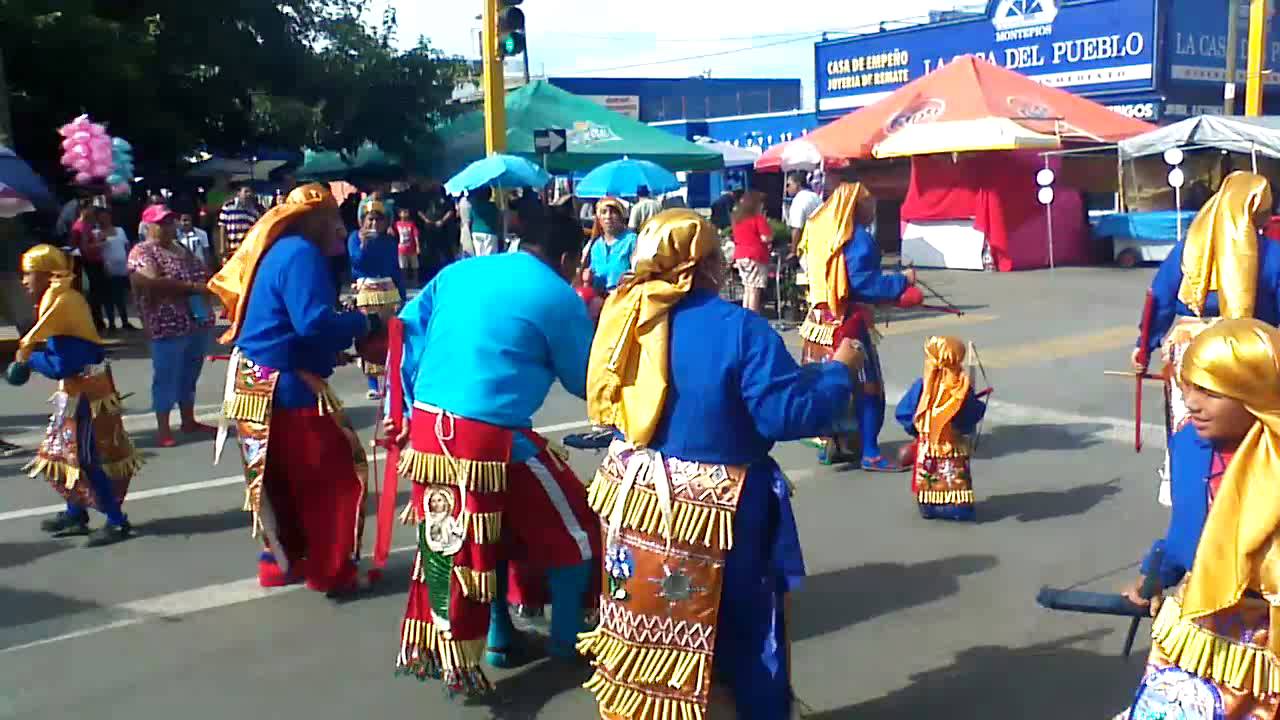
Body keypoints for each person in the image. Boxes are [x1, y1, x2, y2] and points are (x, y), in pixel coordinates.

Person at [578, 209, 862, 720]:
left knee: (653, 633)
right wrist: (839, 374)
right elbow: (786, 413)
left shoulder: (623, 319)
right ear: (708, 264)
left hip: (636, 503)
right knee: (739, 636)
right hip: (717, 511)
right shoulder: (739, 329)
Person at [383, 205, 599, 695]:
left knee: (472, 542)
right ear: (567, 256)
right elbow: (587, 381)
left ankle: (497, 638)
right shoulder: (558, 296)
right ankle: (571, 644)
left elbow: (405, 331)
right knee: (580, 528)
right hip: (488, 438)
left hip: (429, 430)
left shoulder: (459, 271)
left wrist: (409, 406)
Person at [206, 183, 376, 595]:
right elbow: (313, 323)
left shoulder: (278, 251)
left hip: (254, 380)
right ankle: (331, 571)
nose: (340, 229)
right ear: (315, 221)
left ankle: (282, 562)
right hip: (286, 383)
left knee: (274, 480)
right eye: (335, 218)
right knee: (330, 479)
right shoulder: (302, 253)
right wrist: (363, 323)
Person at [1115, 318, 1280, 719]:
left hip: (1264, 639)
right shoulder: (1188, 442)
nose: (1190, 402)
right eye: (1186, 385)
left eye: (1208, 390)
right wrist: (1155, 573)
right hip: (1195, 623)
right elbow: (1186, 530)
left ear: (1255, 391)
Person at [1131, 171, 1280, 508]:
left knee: (1191, 423)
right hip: (1246, 353)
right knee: (1247, 425)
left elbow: (1159, 297)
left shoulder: (1188, 248)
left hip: (1189, 351)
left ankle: (1187, 490)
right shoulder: (1270, 254)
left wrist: (1143, 346)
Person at [7, 244, 141, 546]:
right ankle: (75, 513)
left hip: (88, 397)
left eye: (28, 274)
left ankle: (117, 521)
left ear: (45, 275)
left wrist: (29, 360)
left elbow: (64, 364)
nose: (24, 281)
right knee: (66, 455)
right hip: (75, 394)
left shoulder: (64, 301)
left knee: (85, 459)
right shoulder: (57, 300)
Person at [797, 181, 921, 470]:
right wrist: (901, 280)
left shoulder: (818, 232)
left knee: (824, 382)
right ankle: (870, 453)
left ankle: (831, 446)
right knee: (867, 387)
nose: (873, 210)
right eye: (869, 205)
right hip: (846, 324)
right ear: (858, 207)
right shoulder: (857, 238)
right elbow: (865, 283)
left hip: (818, 322)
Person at [128, 206, 217, 448]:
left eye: (170, 221)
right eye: (162, 223)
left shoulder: (180, 248)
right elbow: (154, 282)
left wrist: (204, 285)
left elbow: (202, 271)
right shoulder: (142, 251)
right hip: (166, 325)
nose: (168, 226)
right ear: (148, 227)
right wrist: (193, 287)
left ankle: (188, 421)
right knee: (166, 377)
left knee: (190, 374)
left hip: (194, 320)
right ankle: (164, 428)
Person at [894, 336, 988, 521]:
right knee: (955, 476)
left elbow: (903, 412)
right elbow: (972, 415)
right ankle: (960, 507)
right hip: (954, 443)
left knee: (928, 475)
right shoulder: (961, 386)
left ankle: (928, 506)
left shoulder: (922, 385)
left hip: (928, 442)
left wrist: (917, 431)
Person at [347, 202, 406, 399]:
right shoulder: (354, 238)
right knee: (368, 336)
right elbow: (356, 264)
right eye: (370, 219)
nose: (373, 223)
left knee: (388, 337)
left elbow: (394, 268)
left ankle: (390, 380)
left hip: (388, 291)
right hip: (366, 291)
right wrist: (363, 245)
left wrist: (402, 295)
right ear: (362, 220)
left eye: (378, 219)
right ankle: (373, 383)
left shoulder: (389, 240)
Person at [731, 190, 773, 314]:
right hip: (755, 255)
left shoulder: (738, 219)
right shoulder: (758, 219)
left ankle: (745, 315)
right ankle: (752, 317)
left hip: (740, 255)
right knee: (754, 289)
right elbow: (766, 237)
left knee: (747, 288)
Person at [585, 198, 638, 295]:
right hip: (599, 296)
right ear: (599, 219)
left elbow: (638, 272)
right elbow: (592, 272)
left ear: (621, 217)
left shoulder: (631, 240)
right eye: (604, 212)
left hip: (623, 296)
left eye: (613, 212)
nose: (608, 216)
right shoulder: (596, 246)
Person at [96, 207, 136, 334]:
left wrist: (130, 263)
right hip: (107, 267)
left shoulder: (120, 230)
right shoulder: (96, 233)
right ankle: (111, 323)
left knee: (121, 296)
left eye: (106, 216)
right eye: (102, 216)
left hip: (122, 267)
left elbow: (127, 246)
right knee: (108, 297)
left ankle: (125, 321)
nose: (105, 219)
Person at [71, 204, 108, 332]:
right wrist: (101, 244)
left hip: (94, 262)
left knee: (97, 294)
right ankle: (95, 322)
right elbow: (84, 248)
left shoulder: (88, 225)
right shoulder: (81, 226)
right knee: (94, 295)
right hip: (89, 264)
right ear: (83, 210)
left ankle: (97, 321)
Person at [217, 185, 261, 264]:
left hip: (246, 251)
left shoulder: (254, 212)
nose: (249, 194)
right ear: (238, 193)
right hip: (231, 250)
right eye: (246, 191)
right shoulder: (228, 206)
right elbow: (222, 227)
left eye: (250, 192)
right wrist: (222, 248)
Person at [786, 172, 822, 258]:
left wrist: (793, 251)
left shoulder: (799, 200)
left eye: (789, 185)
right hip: (821, 243)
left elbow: (797, 228)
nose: (787, 189)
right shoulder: (815, 197)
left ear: (797, 184)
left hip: (807, 247)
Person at [468, 187, 502, 256]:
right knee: (490, 257)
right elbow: (498, 219)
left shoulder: (474, 206)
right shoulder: (492, 206)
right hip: (489, 232)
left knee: (479, 255)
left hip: (476, 231)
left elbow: (470, 220)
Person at [393, 208, 421, 287]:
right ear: (399, 214)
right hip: (401, 250)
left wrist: (418, 246)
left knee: (414, 266)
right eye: (404, 212)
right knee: (403, 267)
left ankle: (415, 282)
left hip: (412, 249)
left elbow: (416, 235)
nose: (405, 213)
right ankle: (403, 282)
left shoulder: (411, 224)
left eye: (407, 212)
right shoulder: (397, 224)